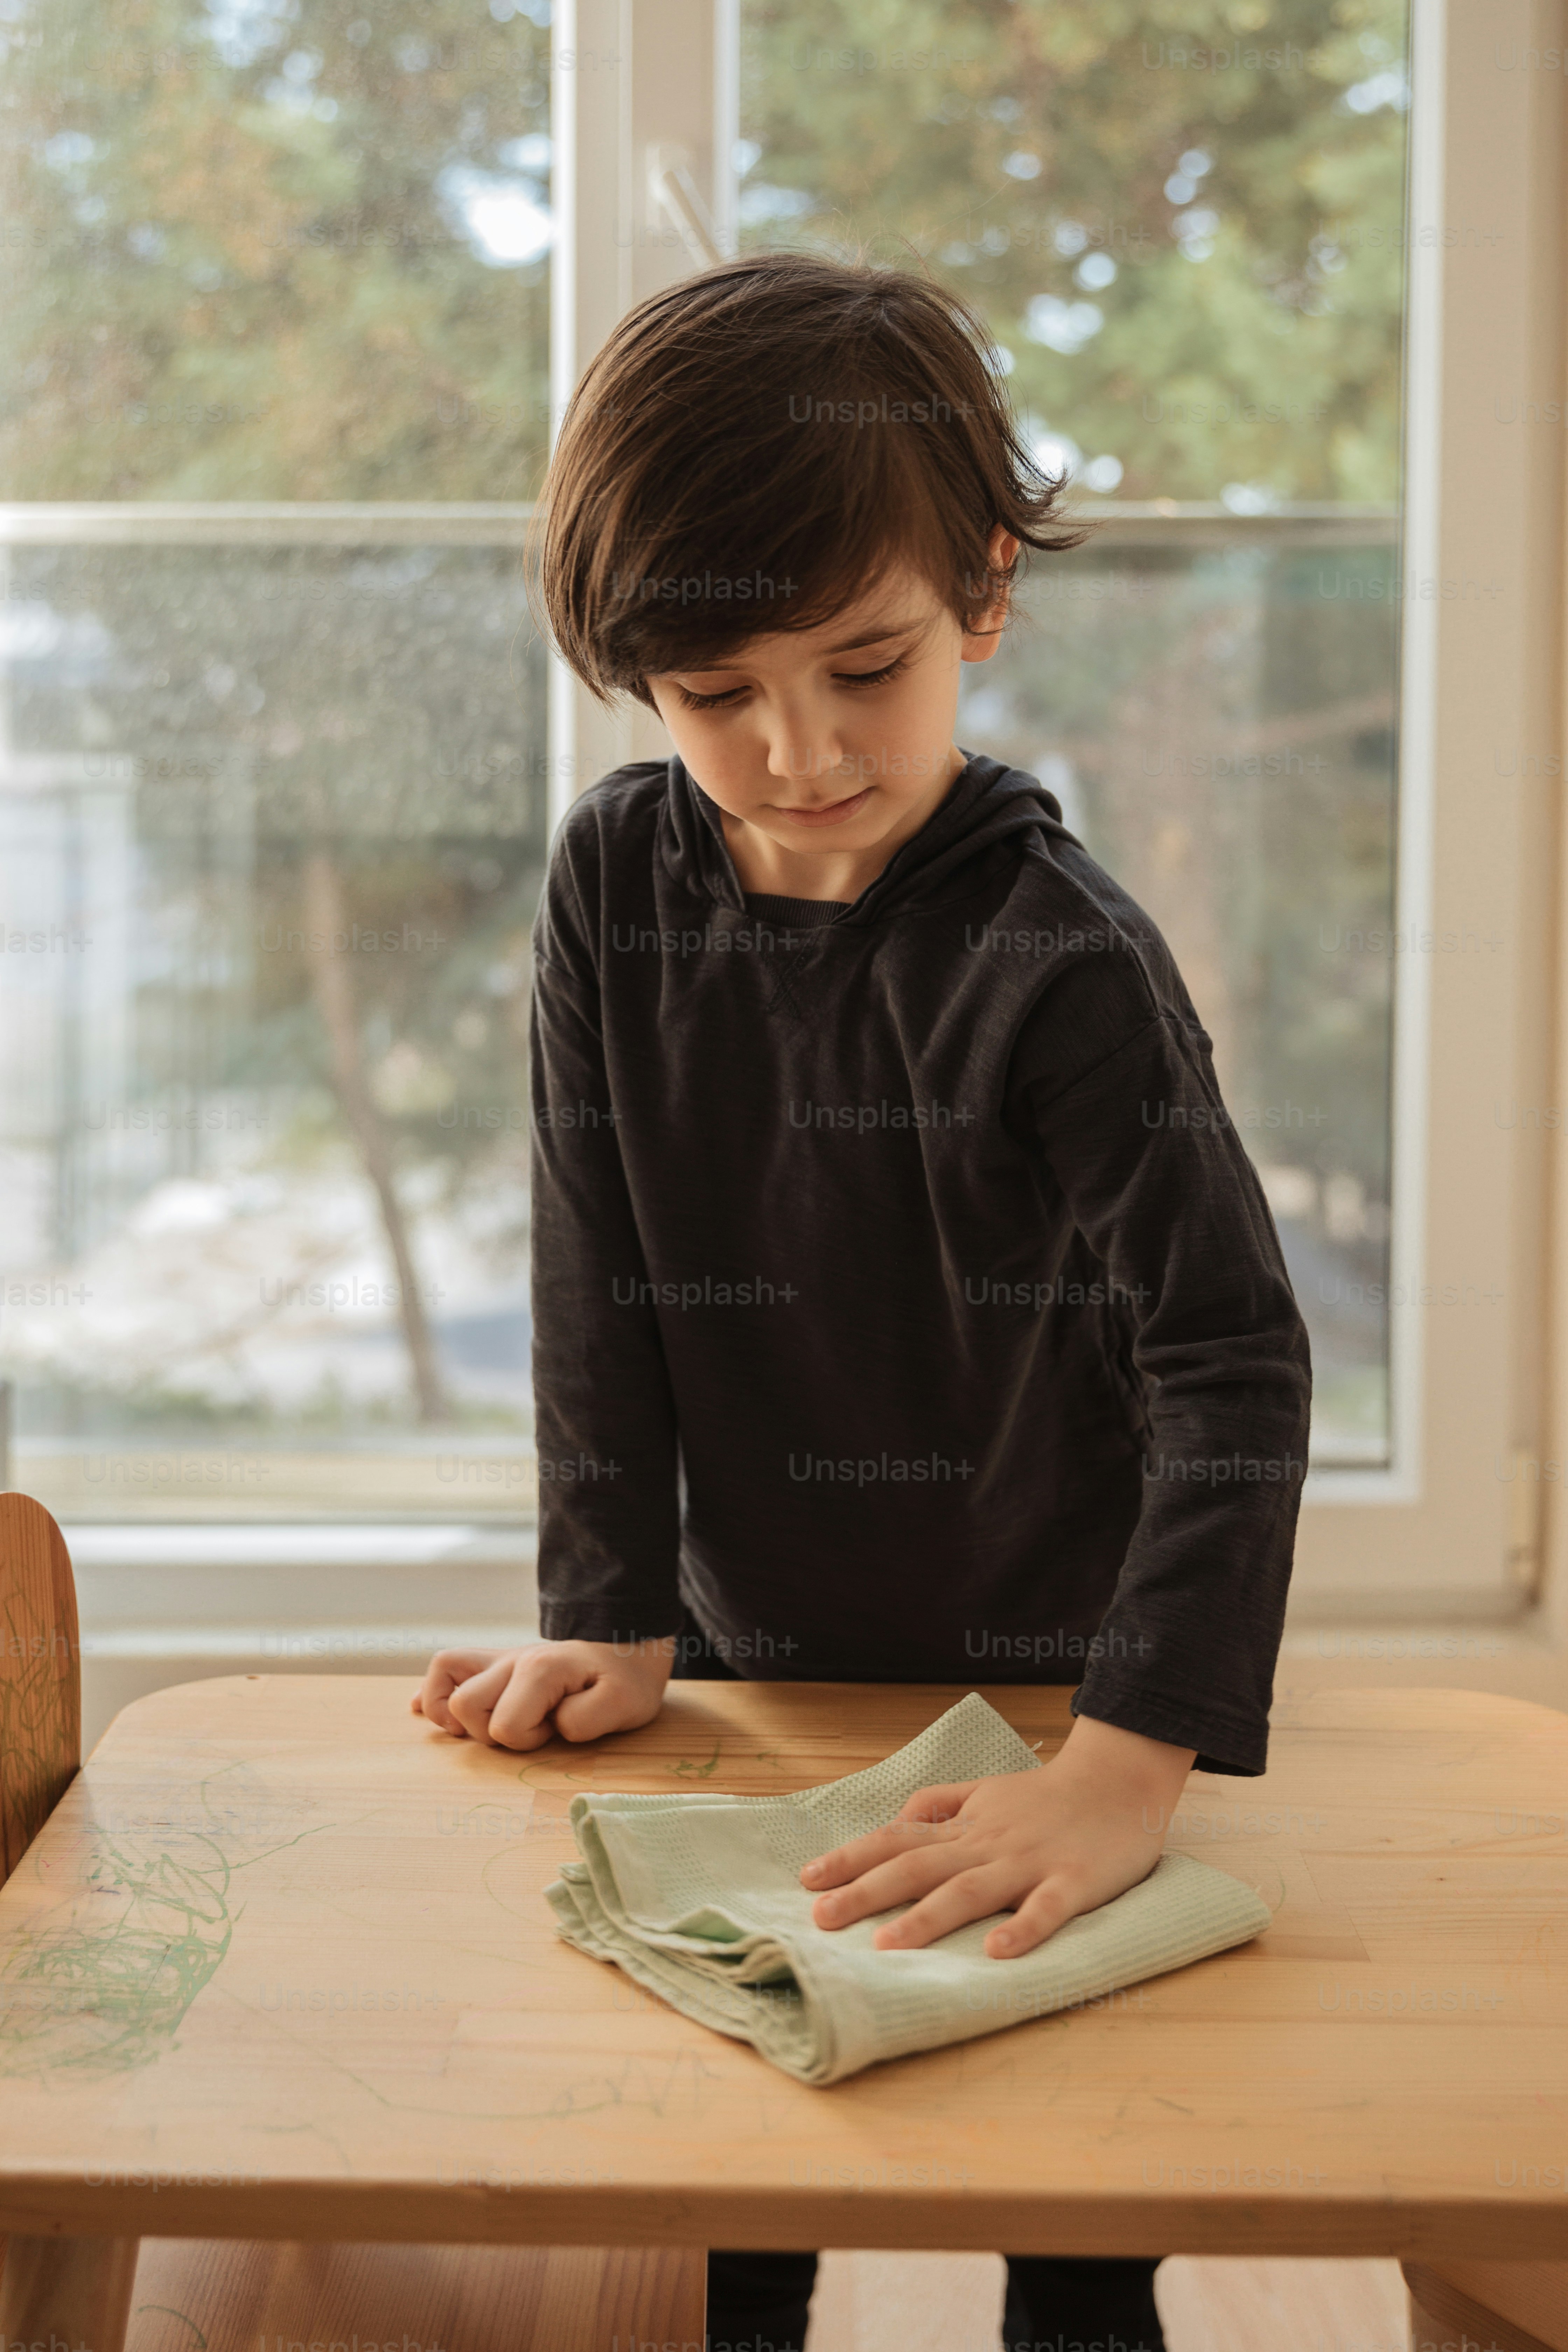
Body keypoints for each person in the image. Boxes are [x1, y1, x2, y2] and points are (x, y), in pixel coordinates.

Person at [414, 250, 1312, 2352]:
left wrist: (1123, 1767)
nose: (794, 753)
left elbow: (1234, 1364)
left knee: (1075, 2219)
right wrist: (614, 1610)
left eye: (863, 668)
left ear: (985, 595)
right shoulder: (608, 887)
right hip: (759, 1661)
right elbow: (600, 1260)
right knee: (729, 2192)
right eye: (715, 698)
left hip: (1057, 1672)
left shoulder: (1065, 960)